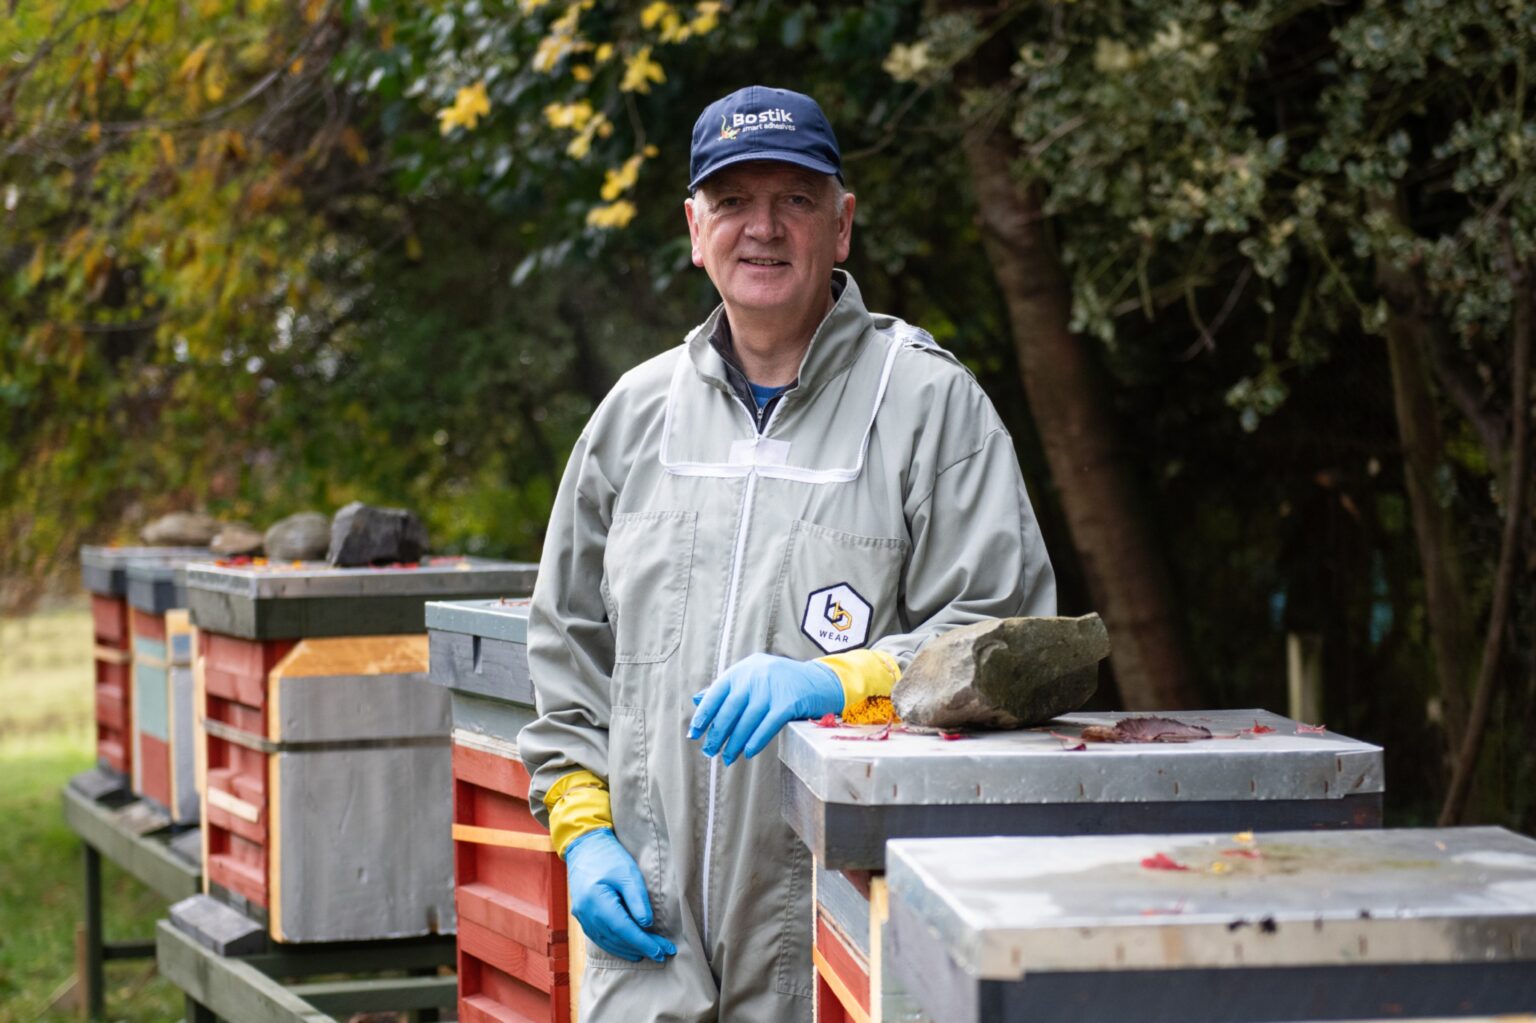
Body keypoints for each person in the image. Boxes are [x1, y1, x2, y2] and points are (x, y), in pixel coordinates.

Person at [519, 84, 1056, 1021]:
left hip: (834, 943)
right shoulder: (632, 417)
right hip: (648, 945)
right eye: (732, 202)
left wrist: (841, 684)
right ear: (695, 228)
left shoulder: (930, 405)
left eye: (794, 201)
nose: (761, 228)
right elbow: (566, 648)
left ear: (841, 226)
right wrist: (581, 830)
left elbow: (1006, 638)